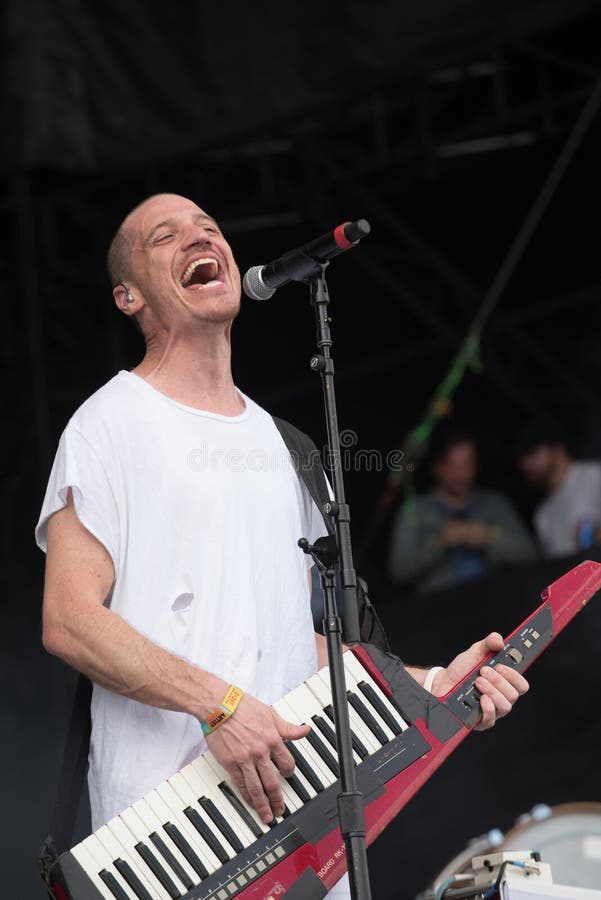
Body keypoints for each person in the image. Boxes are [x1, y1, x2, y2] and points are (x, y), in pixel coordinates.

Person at [36, 194, 529, 898]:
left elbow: (301, 642)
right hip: (169, 832)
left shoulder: (285, 446)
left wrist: (430, 685)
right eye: (165, 237)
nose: (199, 239)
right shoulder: (107, 425)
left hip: (299, 813)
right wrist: (221, 706)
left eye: (210, 228)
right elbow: (70, 620)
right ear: (128, 295)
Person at [388, 425, 536, 593]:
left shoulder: (494, 503)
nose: (463, 474)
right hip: (440, 603)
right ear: (437, 467)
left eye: (468, 464)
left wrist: (489, 537)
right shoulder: (415, 511)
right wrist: (439, 544)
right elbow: (399, 571)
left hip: (496, 596)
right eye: (454, 466)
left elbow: (530, 553)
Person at [517, 421, 601, 557]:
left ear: (558, 451)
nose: (525, 464)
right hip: (578, 569)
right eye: (522, 457)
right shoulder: (543, 514)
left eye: (531, 453)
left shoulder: (594, 475)